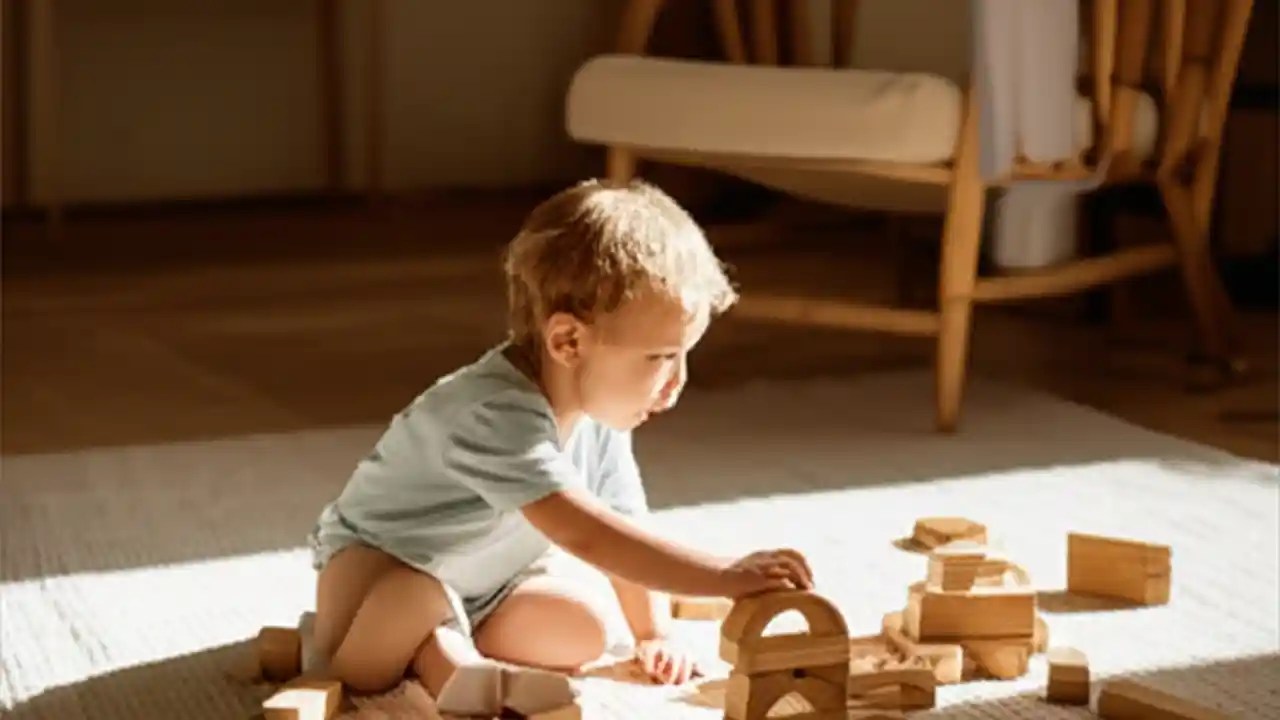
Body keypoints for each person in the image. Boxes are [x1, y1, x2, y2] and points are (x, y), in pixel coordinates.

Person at [306, 178, 815, 714]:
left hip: (486, 585)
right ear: (568, 341)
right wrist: (723, 576)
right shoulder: (495, 415)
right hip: (374, 573)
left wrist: (653, 633)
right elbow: (588, 536)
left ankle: (453, 653)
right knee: (412, 600)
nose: (678, 380)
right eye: (661, 357)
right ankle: (445, 664)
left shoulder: (598, 419)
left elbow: (624, 525)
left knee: (583, 632)